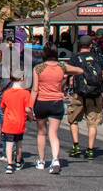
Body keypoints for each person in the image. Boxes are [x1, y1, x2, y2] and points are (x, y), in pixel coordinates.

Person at [30, 44, 72, 174]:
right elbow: (79, 70)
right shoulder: (62, 67)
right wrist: (68, 75)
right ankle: (55, 160)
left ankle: (41, 161)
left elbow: (35, 89)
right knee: (53, 133)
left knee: (41, 132)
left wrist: (30, 106)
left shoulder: (38, 68)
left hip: (41, 102)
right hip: (56, 102)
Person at [67, 35, 103, 160]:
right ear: (91, 45)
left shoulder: (75, 58)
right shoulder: (98, 58)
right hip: (95, 95)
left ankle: (76, 146)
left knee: (73, 120)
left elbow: (70, 76)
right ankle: (90, 150)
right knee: (92, 123)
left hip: (79, 94)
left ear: (79, 45)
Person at [0, 73, 31, 173]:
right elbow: (27, 109)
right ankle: (18, 162)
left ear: (10, 79)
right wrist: (31, 117)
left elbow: (3, 107)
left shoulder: (6, 93)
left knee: (9, 144)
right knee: (19, 143)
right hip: (20, 122)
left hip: (8, 122)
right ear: (22, 78)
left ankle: (9, 164)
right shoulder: (26, 93)